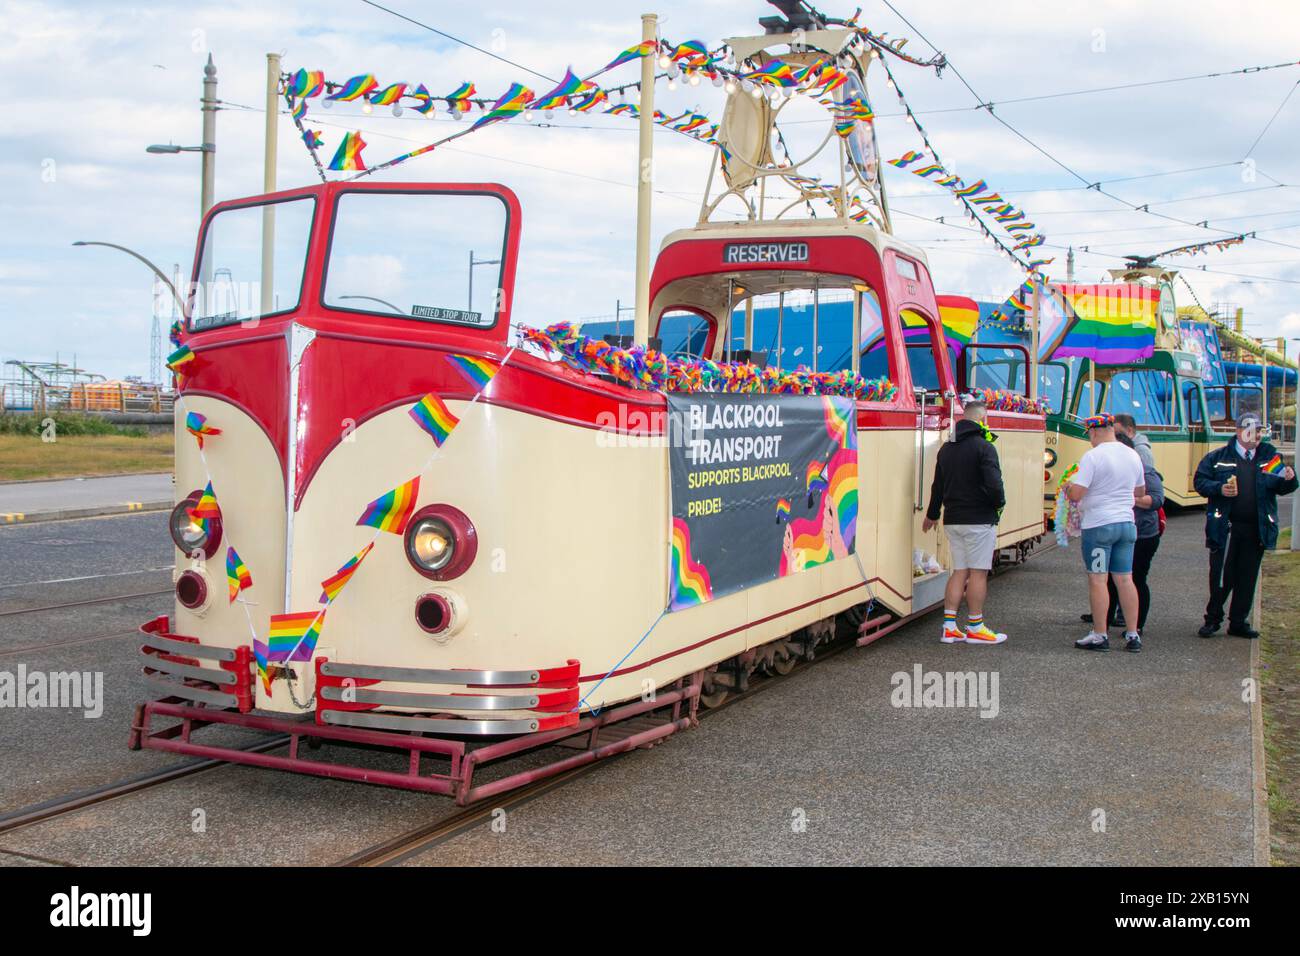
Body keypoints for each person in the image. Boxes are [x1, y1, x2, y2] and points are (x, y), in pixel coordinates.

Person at [1194, 413, 1297, 638]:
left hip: (1256, 527)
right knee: (1222, 575)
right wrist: (1220, 488)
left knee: (1248, 576)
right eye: (1252, 430)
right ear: (1240, 431)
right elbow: (1200, 482)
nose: (1257, 435)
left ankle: (1238, 622)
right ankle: (1213, 619)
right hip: (1226, 526)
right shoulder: (1218, 457)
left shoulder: (1270, 456)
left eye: (1260, 430)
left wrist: (1290, 478)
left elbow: (1282, 486)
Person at [922, 395, 1007, 645]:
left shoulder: (946, 449)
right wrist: (998, 504)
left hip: (953, 520)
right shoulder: (984, 447)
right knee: (978, 573)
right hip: (979, 519)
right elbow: (994, 485)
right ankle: (975, 626)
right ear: (983, 419)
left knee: (959, 571)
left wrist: (932, 514)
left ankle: (949, 626)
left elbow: (937, 486)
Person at [1064, 414, 1146, 652]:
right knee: (1125, 579)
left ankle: (1100, 634)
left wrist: (1069, 487)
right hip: (1126, 524)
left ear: (1094, 431)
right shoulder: (1132, 455)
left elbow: (1078, 494)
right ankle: (1133, 634)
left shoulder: (1093, 456)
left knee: (1098, 579)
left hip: (1099, 526)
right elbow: (1140, 490)